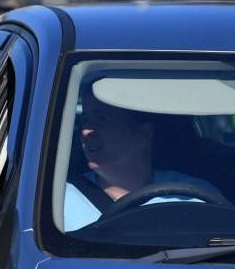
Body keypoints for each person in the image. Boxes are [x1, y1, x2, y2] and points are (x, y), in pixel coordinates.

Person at [61, 85, 220, 231]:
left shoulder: (195, 195)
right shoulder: (60, 200)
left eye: (102, 119)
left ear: (143, 134)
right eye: (85, 120)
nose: (86, 131)